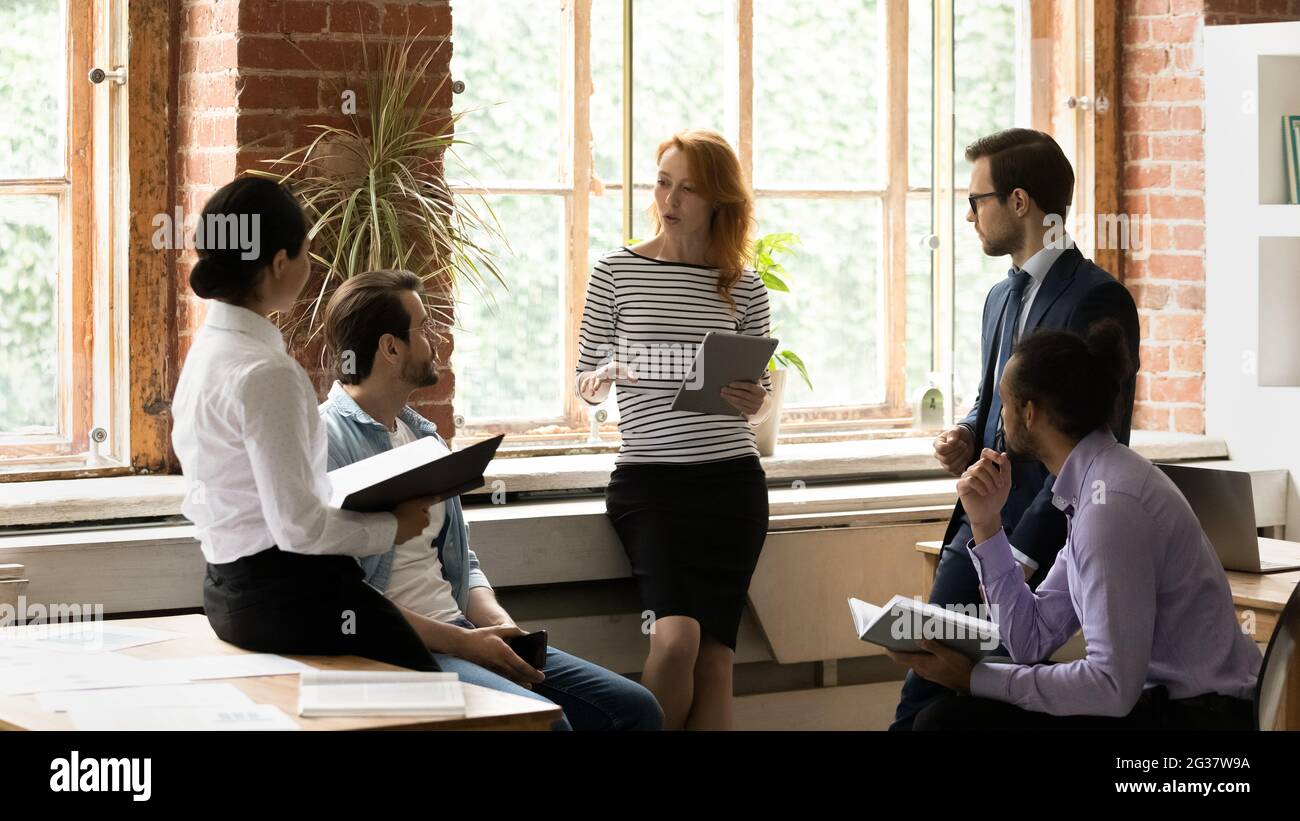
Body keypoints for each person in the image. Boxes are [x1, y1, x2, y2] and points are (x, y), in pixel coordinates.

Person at [317, 269, 663, 731]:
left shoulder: (422, 436)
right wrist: (465, 645)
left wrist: (498, 627)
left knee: (635, 710)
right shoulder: (325, 439)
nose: (437, 339)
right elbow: (341, 595)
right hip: (398, 649)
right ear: (391, 347)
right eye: (424, 328)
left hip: (463, 631)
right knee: (545, 724)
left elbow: (462, 559)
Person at [888, 321, 1260, 730]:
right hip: (1152, 701)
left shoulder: (1111, 507)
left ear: (1029, 413)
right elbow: (1028, 639)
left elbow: (1110, 688)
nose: (1001, 420)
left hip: (1195, 715)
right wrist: (986, 524)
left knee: (947, 723)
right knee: (955, 711)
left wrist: (973, 678)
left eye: (1005, 404)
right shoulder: (1095, 487)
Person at [892, 128, 1140, 729]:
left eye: (977, 200)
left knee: (977, 707)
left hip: (1039, 542)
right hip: (975, 531)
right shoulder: (998, 299)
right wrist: (965, 432)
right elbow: (991, 405)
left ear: (1020, 202)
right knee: (921, 692)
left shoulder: (1099, 298)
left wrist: (1026, 549)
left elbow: (1101, 438)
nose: (969, 215)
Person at [171, 176, 438, 670]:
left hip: (227, 596)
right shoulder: (267, 372)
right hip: (294, 600)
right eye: (306, 254)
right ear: (278, 263)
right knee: (437, 697)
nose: (311, 268)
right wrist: (391, 526)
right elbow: (299, 528)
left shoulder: (206, 353)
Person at [575, 129, 774, 730]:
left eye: (689, 188)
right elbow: (583, 379)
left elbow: (755, 403)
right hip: (651, 487)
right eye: (664, 182)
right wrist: (603, 378)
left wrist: (754, 399)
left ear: (718, 201)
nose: (671, 198)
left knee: (716, 659)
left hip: (732, 488)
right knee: (675, 640)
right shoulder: (616, 271)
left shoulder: (747, 286)